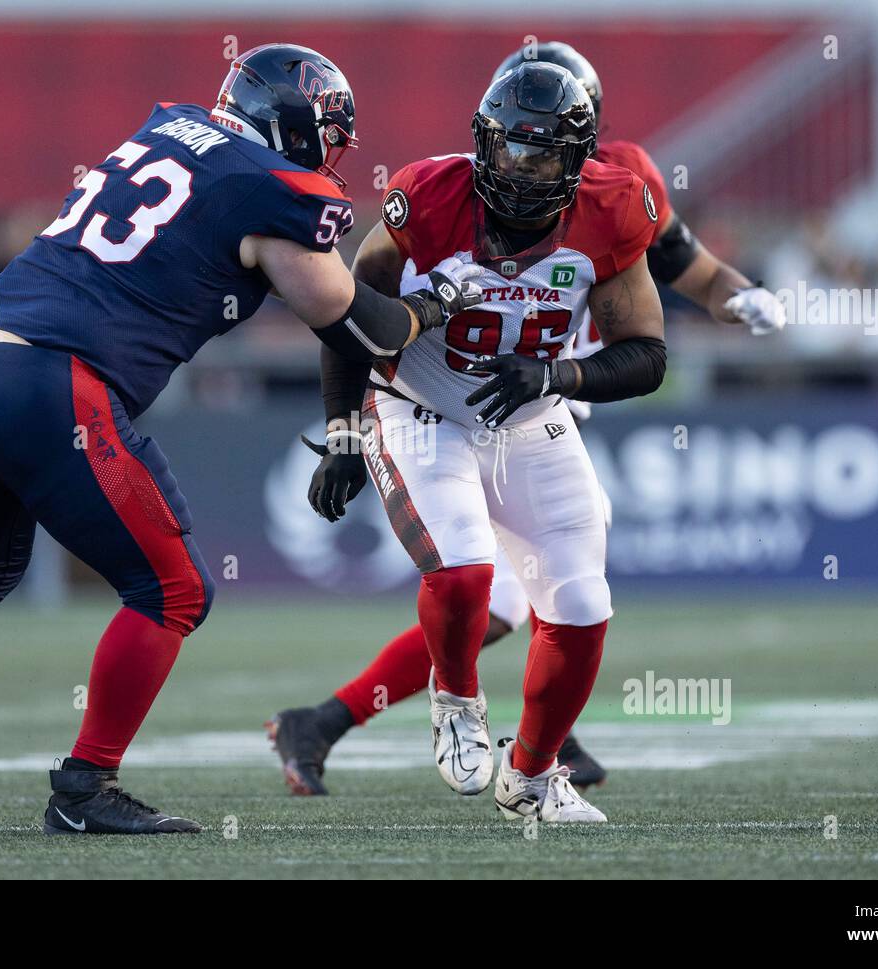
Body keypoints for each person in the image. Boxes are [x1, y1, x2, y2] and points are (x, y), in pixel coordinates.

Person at [0, 43, 480, 836]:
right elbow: (363, 324)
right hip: (52, 382)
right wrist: (437, 306)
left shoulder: (172, 129)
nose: (333, 156)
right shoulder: (274, 191)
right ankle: (86, 784)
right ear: (297, 127)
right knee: (174, 589)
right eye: (329, 135)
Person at [271, 41, 785, 801]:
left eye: (542, 152)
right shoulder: (430, 195)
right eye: (509, 144)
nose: (519, 166)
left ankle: (526, 754)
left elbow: (674, 304)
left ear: (583, 144)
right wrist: (344, 428)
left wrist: (734, 297)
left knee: (561, 598)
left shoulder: (620, 196)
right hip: (428, 405)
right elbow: (351, 312)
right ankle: (437, 715)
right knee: (477, 583)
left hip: (539, 406)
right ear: (483, 132)